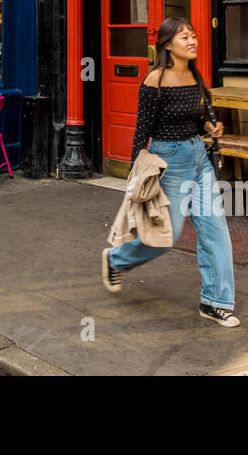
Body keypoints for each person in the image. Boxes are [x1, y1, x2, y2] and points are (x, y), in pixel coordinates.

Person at [100, 17, 238, 328]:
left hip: (199, 157)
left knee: (216, 231)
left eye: (193, 35)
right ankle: (116, 259)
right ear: (166, 45)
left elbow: (199, 119)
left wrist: (209, 126)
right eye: (184, 37)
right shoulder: (154, 81)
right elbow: (141, 131)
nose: (192, 41)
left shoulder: (194, 75)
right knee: (165, 237)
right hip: (169, 162)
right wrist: (136, 175)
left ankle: (215, 301)